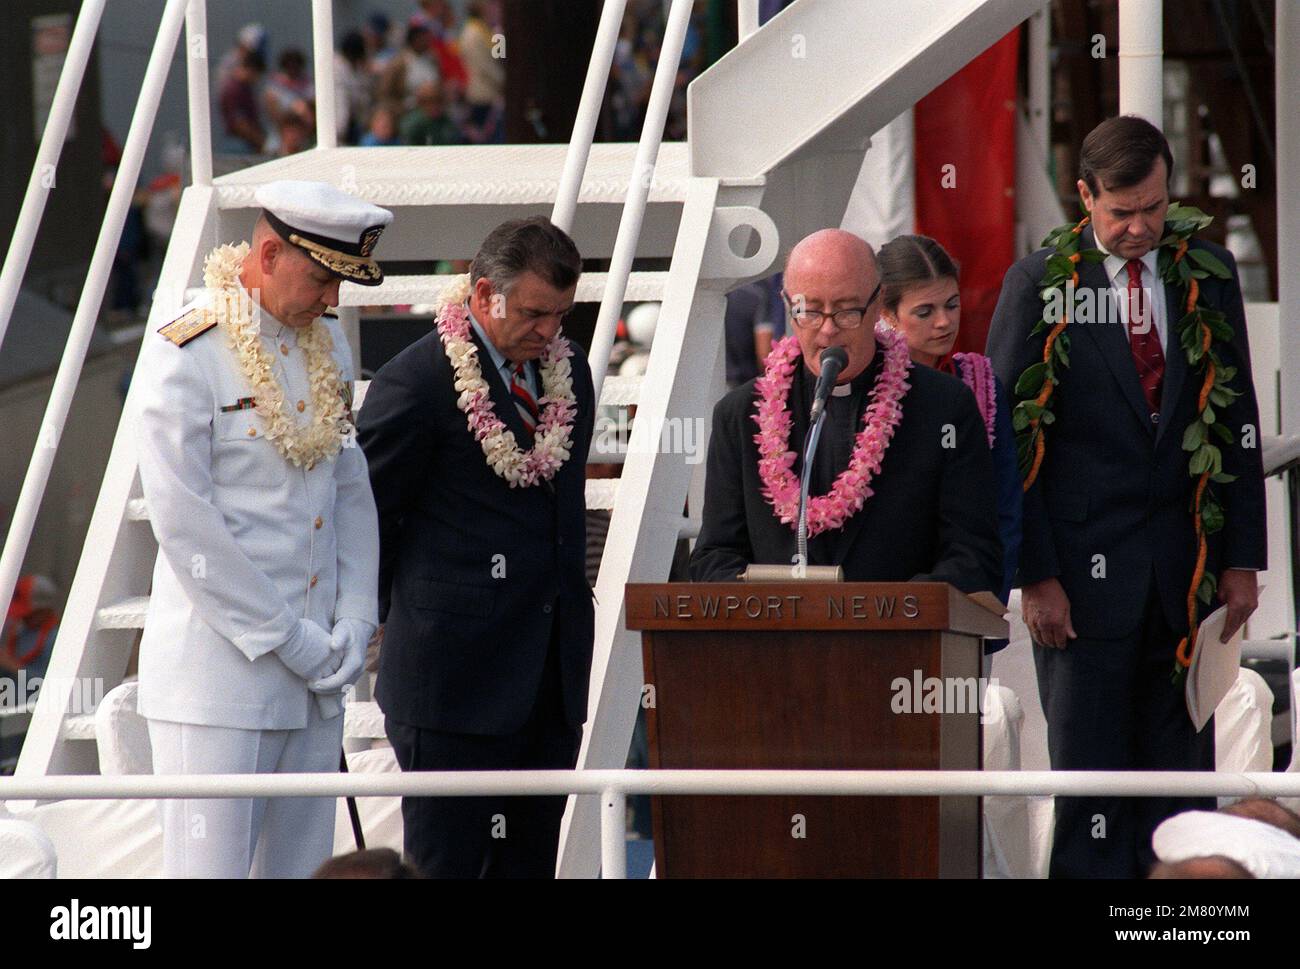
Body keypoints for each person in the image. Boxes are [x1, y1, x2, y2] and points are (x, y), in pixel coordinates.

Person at [985, 115, 1267, 878]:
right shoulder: (1039, 282)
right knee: (1093, 791)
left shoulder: (1207, 271)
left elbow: (1236, 417)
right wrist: (1034, 574)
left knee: (1182, 789)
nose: (1141, 225)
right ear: (1084, 197)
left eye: (1152, 205)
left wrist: (1242, 559)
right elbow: (1008, 437)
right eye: (1121, 212)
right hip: (1078, 580)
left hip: (1186, 574)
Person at [133, 180, 391, 878]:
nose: (332, 299)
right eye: (321, 278)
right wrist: (289, 636)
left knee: (303, 874)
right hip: (219, 678)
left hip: (314, 677)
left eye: (342, 283)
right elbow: (187, 525)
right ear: (269, 252)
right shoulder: (187, 349)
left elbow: (348, 486)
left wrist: (355, 614)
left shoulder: (326, 344)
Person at [357, 217, 596, 879]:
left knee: (528, 869)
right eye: (535, 313)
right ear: (484, 293)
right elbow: (371, 521)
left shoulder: (568, 375)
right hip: (452, 687)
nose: (550, 330)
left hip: (547, 681)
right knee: (446, 871)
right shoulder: (418, 382)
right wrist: (370, 626)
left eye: (562, 314)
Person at [689, 228, 1001, 595]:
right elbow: (714, 556)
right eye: (809, 311)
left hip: (900, 644)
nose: (827, 331)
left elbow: (974, 554)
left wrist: (899, 610)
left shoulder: (945, 407)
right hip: (773, 645)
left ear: (878, 304)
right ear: (787, 307)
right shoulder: (739, 415)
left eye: (847, 311)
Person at [879, 234, 1021, 657]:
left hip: (968, 606)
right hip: (881, 611)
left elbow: (1006, 504)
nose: (944, 322)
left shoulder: (979, 383)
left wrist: (980, 598)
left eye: (952, 305)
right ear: (886, 314)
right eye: (925, 311)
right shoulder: (865, 390)